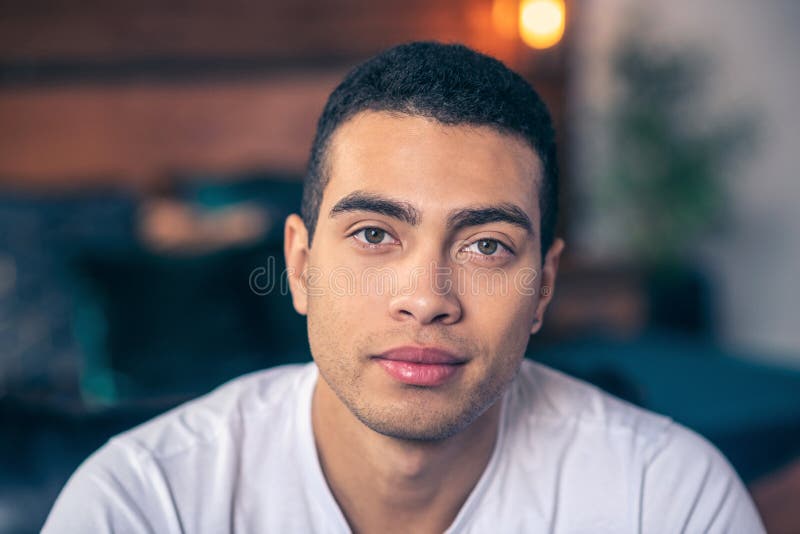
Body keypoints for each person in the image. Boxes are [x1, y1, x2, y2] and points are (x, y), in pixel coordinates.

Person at [43, 42, 765, 533]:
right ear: (299, 266)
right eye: (374, 235)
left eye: (486, 245)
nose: (426, 298)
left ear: (543, 288)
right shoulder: (142, 505)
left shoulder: (665, 500)